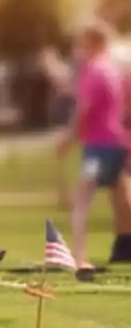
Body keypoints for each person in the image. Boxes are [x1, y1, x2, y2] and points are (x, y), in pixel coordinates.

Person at [56, 20, 130, 279]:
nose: (77, 49)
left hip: (98, 148)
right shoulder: (113, 71)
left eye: (80, 43)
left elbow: (83, 111)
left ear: (91, 44)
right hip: (118, 144)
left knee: (82, 202)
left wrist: (68, 138)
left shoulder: (93, 71)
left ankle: (80, 259)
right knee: (122, 197)